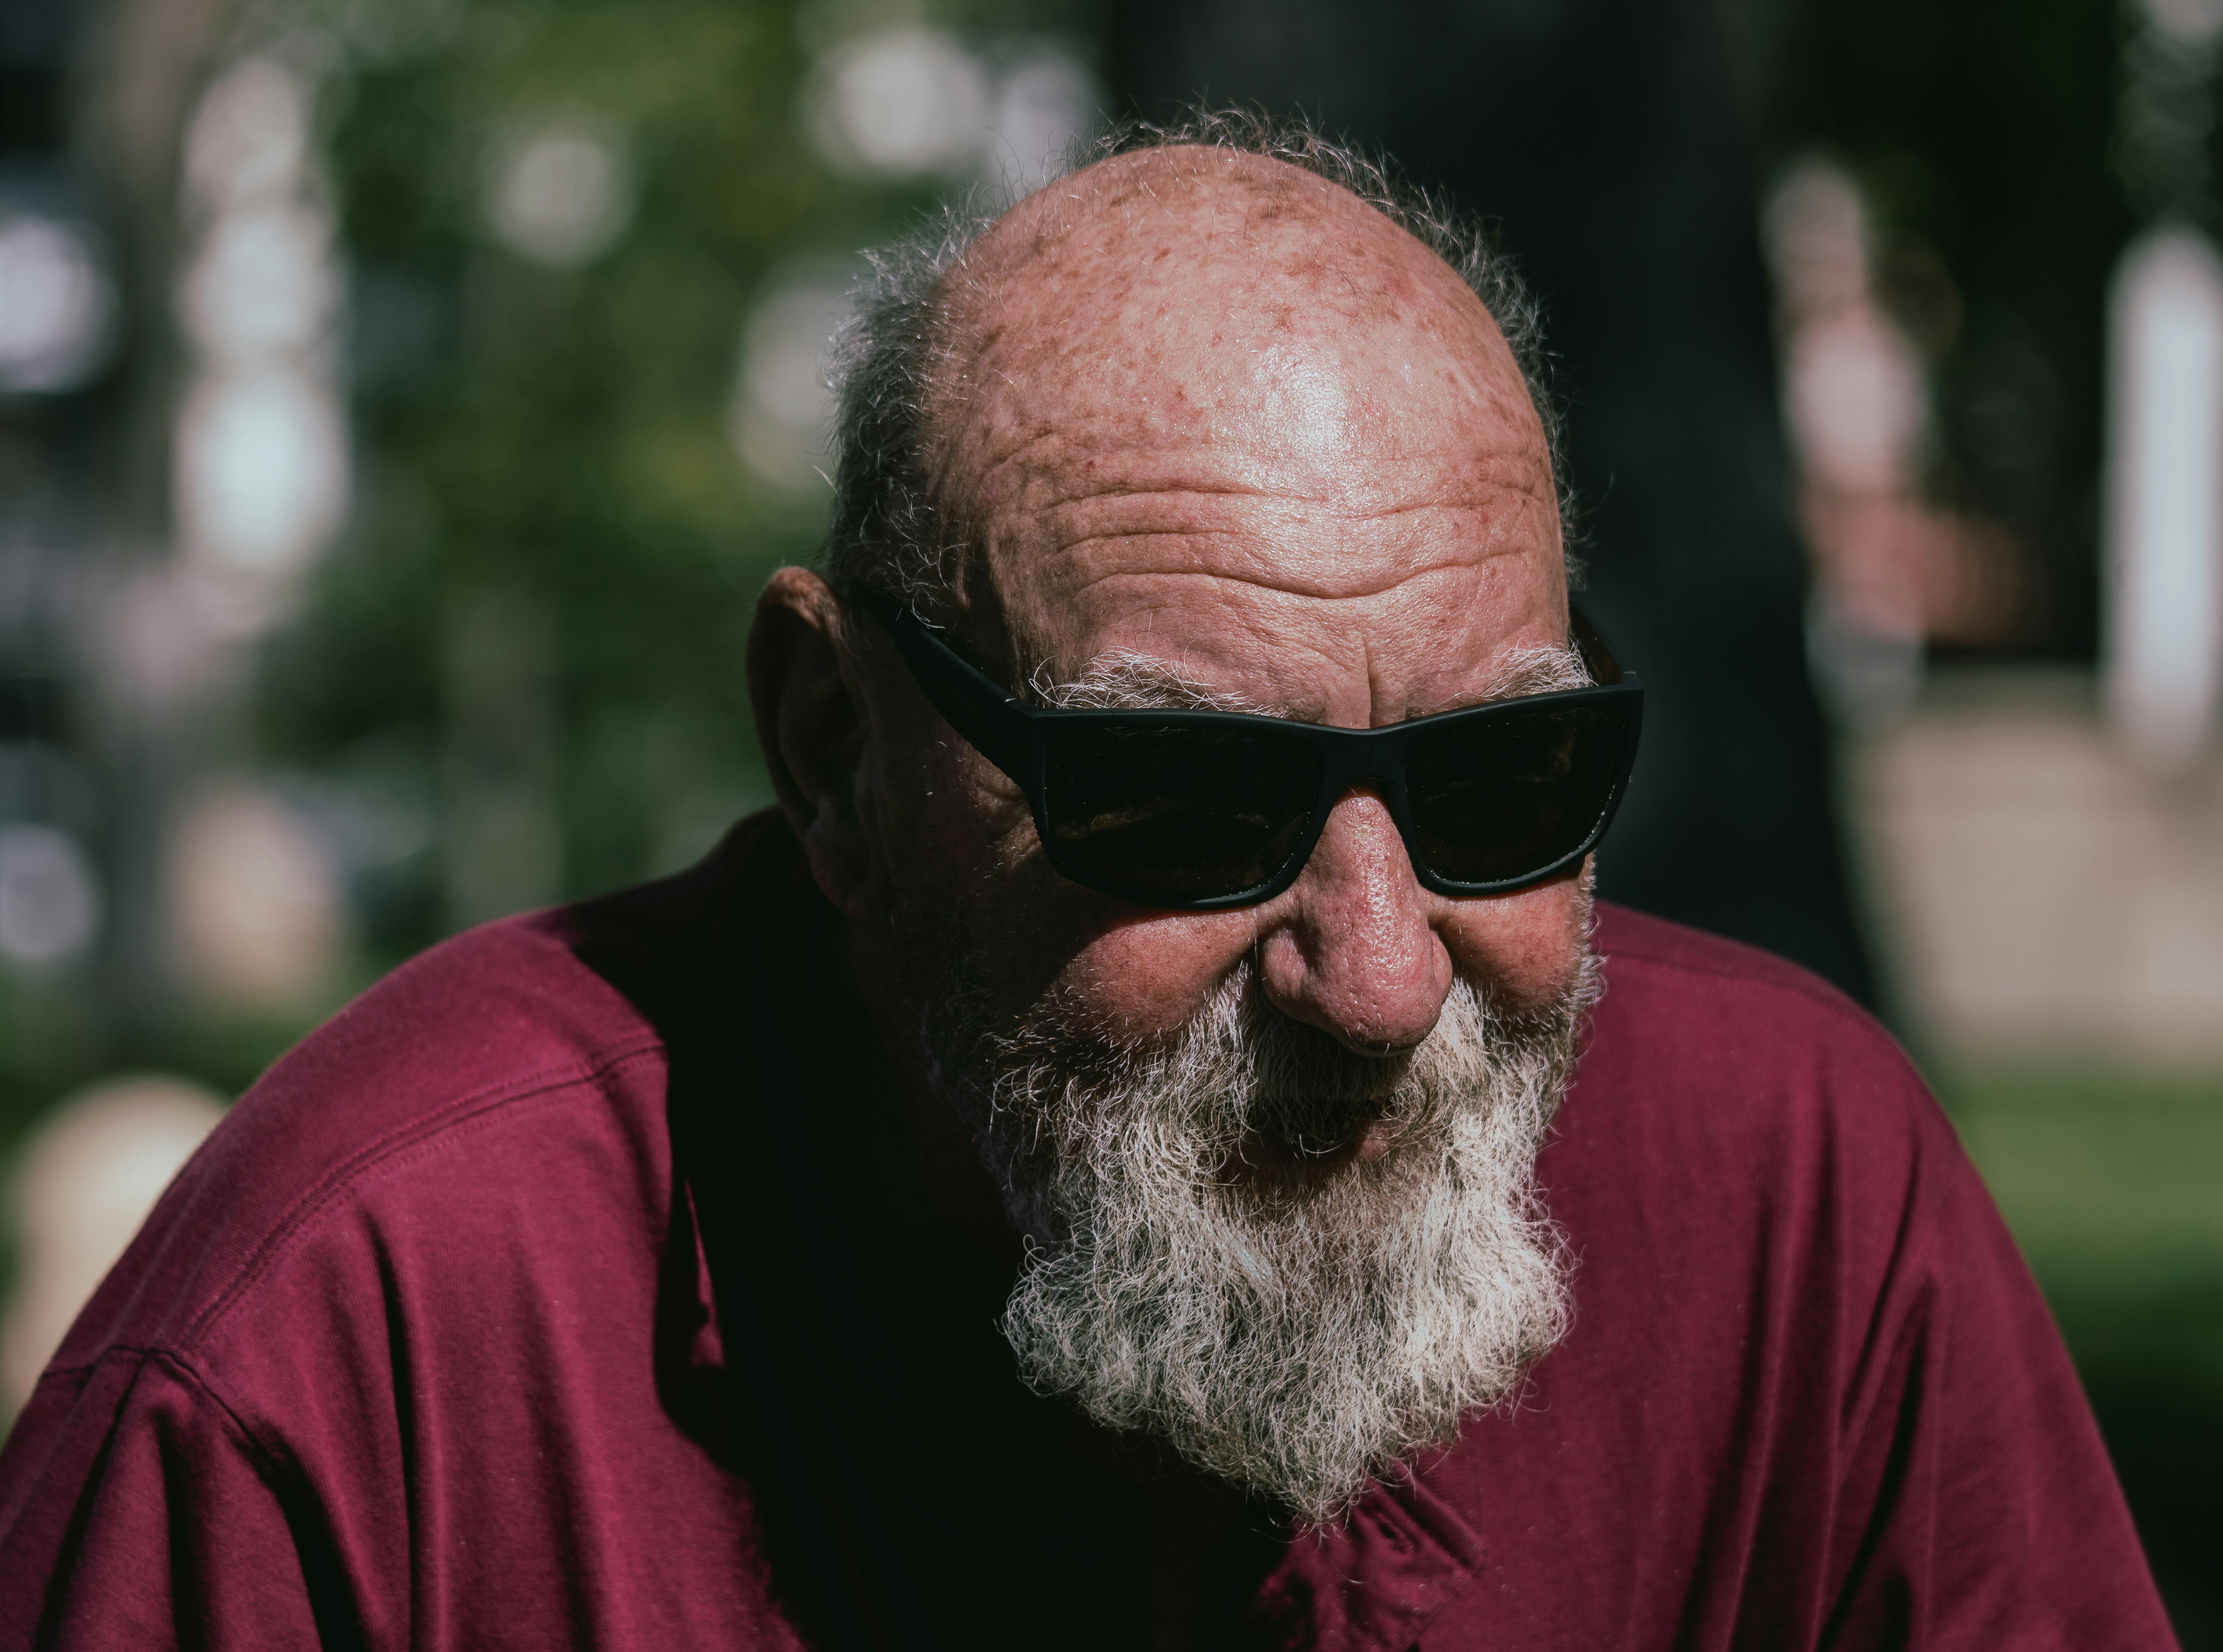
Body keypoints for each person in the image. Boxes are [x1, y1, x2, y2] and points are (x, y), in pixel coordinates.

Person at [0, 119, 2173, 1651]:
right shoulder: (352, 1351)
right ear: (838, 753)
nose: (1381, 974)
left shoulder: (1795, 1200)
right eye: (1191, 797)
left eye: (1512, 774)